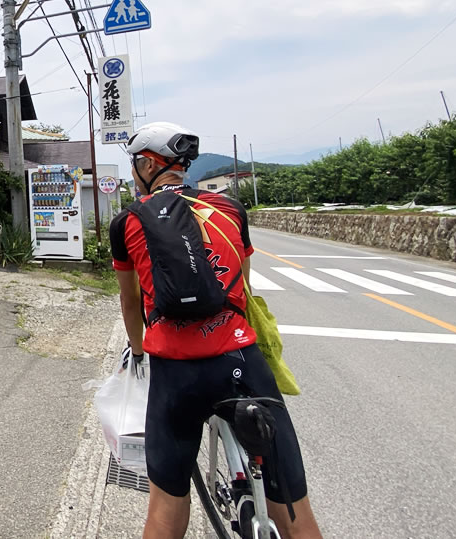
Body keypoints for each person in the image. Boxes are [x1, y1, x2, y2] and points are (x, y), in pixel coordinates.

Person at [108, 121, 323, 539]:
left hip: (176, 370)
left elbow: (131, 302)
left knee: (165, 507)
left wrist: (138, 350)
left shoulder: (128, 222)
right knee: (295, 510)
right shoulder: (231, 211)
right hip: (240, 359)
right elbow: (243, 287)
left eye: (135, 164)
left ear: (149, 165)